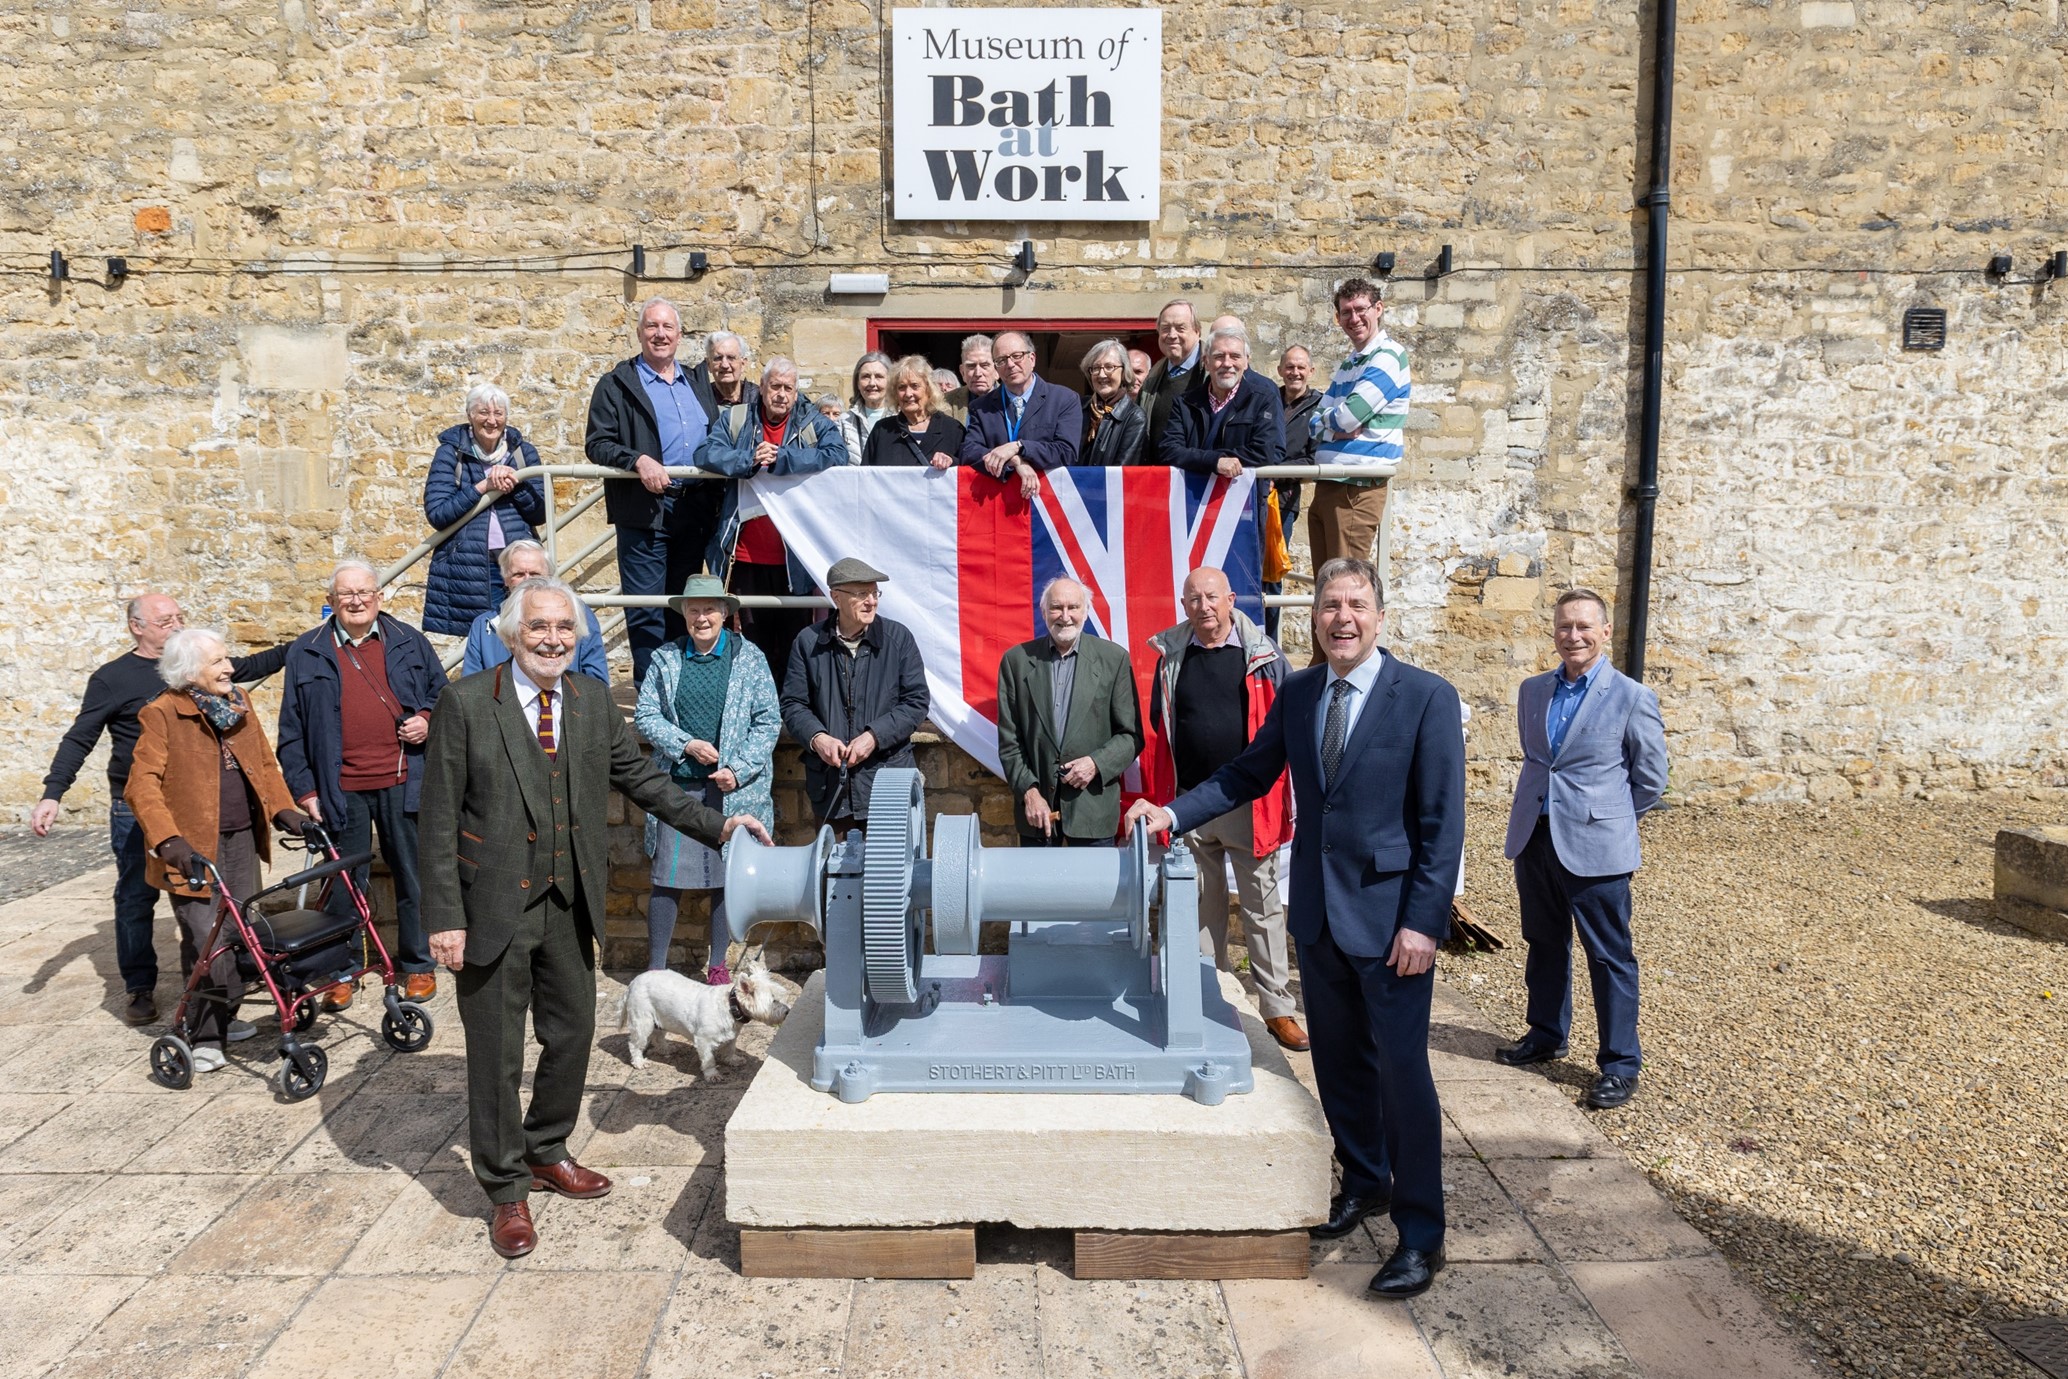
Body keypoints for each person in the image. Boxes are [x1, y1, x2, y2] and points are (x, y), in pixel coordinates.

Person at [1125, 557, 1465, 1302]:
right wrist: (1173, 811)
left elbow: (1443, 827)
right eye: (1330, 605)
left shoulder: (1427, 699)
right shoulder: (1302, 688)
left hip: (1392, 927)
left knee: (1404, 1078)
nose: (1342, 617)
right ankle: (1365, 1182)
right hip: (1317, 914)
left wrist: (1423, 922)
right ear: (1314, 617)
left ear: (1379, 614)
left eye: (1355, 604)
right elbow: (1248, 772)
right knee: (1341, 1064)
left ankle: (1420, 1233)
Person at [420, 576, 770, 1260]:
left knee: (575, 1031)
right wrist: (445, 917)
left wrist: (720, 827)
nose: (552, 638)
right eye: (539, 626)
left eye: (564, 628)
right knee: (496, 1054)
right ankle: (505, 1187)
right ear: (511, 633)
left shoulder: (588, 702)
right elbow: (436, 819)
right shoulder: (464, 703)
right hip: (490, 907)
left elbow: (644, 782)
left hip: (566, 902)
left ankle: (546, 1148)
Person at [34, 595, 289, 1025]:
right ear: (137, 626)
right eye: (165, 620)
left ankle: (219, 997)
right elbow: (81, 738)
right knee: (138, 897)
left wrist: (318, 633)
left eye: (179, 617)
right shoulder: (115, 679)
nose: (175, 625)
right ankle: (140, 988)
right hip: (136, 804)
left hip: (199, 802)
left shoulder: (208, 671)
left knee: (213, 907)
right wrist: (53, 792)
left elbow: (259, 665)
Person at [1496, 588, 1669, 1112]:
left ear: (1605, 632)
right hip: (1536, 835)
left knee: (1609, 955)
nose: (1573, 636)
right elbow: (1538, 762)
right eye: (1565, 626)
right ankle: (1546, 1035)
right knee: (1543, 943)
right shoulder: (1532, 691)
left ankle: (1619, 1064)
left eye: (1584, 627)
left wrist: (1609, 819)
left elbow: (1652, 779)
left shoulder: (1631, 697)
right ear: (1554, 632)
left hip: (1597, 846)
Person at [125, 628, 307, 1071]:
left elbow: (265, 764)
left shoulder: (238, 705)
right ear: (189, 672)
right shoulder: (162, 713)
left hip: (241, 837)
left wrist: (286, 811)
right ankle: (204, 1033)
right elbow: (141, 784)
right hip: (191, 849)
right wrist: (169, 841)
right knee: (205, 936)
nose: (229, 668)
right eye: (217, 662)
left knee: (238, 930)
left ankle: (226, 1013)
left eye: (227, 659)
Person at [1141, 567, 1303, 1050]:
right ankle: (1212, 998)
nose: (1203, 607)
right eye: (1193, 599)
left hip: (1249, 801)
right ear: (1184, 604)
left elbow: (1286, 724)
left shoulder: (1265, 656)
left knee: (1261, 907)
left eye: (1212, 597)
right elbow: (1160, 719)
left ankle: (1277, 1009)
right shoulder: (1172, 655)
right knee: (1200, 906)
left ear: (1231, 599)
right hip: (1190, 804)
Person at [276, 560, 448, 1005]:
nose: (356, 601)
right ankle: (342, 969)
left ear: (379, 597)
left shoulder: (410, 640)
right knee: (343, 885)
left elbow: (444, 695)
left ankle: (417, 965)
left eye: (364, 593)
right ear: (331, 601)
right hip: (339, 788)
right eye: (346, 594)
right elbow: (291, 730)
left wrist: (428, 720)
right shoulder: (307, 650)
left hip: (404, 780)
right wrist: (305, 791)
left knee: (413, 876)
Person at [633, 575, 780, 983]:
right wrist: (686, 745)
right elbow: (646, 715)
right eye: (694, 610)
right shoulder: (665, 659)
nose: (702, 617)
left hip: (730, 789)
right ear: (683, 613)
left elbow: (768, 720)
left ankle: (718, 965)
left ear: (725, 613)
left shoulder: (749, 658)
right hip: (678, 785)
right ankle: (656, 969)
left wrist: (739, 769)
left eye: (710, 609)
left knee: (725, 877)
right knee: (666, 876)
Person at [582, 299, 713, 683]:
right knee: (645, 609)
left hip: (694, 511)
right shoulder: (617, 384)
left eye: (668, 327)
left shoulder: (696, 380)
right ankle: (650, 695)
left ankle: (679, 689)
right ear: (639, 333)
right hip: (644, 511)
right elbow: (597, 443)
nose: (660, 334)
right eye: (652, 327)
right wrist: (639, 461)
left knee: (682, 606)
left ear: (679, 335)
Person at [697, 357, 847, 669]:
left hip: (795, 553)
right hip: (746, 553)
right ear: (762, 388)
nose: (780, 394)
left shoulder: (812, 421)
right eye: (774, 386)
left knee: (795, 640)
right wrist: (747, 459)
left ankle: (790, 710)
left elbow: (838, 455)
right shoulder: (737, 418)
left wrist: (784, 458)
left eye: (787, 388)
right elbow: (706, 453)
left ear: (795, 394)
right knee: (754, 639)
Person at [780, 558, 930, 831]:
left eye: (874, 593)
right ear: (836, 597)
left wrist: (874, 736)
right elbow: (793, 704)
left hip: (888, 782)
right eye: (861, 594)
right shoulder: (807, 642)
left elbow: (916, 702)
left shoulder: (898, 639)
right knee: (833, 870)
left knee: (889, 870)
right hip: (832, 789)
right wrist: (818, 738)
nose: (871, 601)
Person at [994, 578, 1142, 846]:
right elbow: (1009, 741)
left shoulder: (1114, 659)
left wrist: (1096, 763)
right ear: (1043, 612)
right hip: (1038, 815)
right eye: (1056, 608)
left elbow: (1131, 736)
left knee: (1095, 890)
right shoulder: (1015, 662)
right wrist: (1030, 792)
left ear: (1086, 611)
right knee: (1036, 889)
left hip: (1092, 813)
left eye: (1073, 607)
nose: (1065, 616)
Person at [421, 383, 547, 637]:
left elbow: (540, 513)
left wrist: (515, 484)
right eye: (483, 413)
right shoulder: (450, 453)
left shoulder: (523, 452)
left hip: (517, 566)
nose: (491, 421)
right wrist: (482, 487)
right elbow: (438, 513)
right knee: (481, 639)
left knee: (524, 635)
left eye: (498, 413)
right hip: (470, 567)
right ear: (470, 415)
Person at [1308, 277, 1409, 572]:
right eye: (1346, 312)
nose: (1354, 318)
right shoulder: (1351, 363)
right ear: (1338, 319)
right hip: (1331, 485)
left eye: (1360, 309)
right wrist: (1332, 426)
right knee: (1326, 587)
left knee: (1344, 586)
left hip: (1356, 489)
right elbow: (1312, 421)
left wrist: (1330, 423)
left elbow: (1348, 417)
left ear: (1378, 309)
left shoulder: (1388, 357)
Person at [461, 541, 611, 683]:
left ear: (549, 576)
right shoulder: (484, 625)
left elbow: (596, 681)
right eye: (518, 574)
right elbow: (470, 687)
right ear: (506, 579)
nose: (527, 580)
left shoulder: (577, 614)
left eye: (534, 574)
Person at [957, 330, 1082, 497]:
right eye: (1001, 360)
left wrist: (1018, 447)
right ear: (996, 368)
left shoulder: (1064, 399)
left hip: (1048, 501)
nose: (1010, 364)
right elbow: (969, 452)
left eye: (1017, 356)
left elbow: (1067, 452)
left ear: (1032, 359)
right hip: (998, 501)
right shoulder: (981, 407)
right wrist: (1015, 461)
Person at [1159, 326, 1286, 476]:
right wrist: (1215, 461)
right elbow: (1169, 450)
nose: (1227, 363)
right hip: (1192, 494)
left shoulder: (1263, 399)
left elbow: (1263, 451)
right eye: (1219, 356)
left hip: (1244, 495)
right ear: (1206, 362)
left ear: (1246, 362)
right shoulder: (1185, 403)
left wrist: (1203, 459)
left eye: (1235, 356)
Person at [1266, 345, 1322, 640]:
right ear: (1280, 370)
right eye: (1289, 367)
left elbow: (1313, 459)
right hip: (1253, 498)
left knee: (1273, 575)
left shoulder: (1319, 407)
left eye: (1301, 367)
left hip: (1283, 503)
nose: (1295, 373)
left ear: (1310, 371)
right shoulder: (1268, 399)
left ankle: (1270, 645)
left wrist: (1277, 473)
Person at [862, 355, 965, 468]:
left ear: (929, 388)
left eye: (914, 386)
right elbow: (866, 477)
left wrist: (952, 461)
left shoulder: (953, 430)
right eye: (901, 387)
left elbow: (967, 474)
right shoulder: (882, 431)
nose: (908, 394)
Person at [1136, 299, 1205, 466]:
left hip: (1202, 477)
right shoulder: (1152, 376)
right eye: (1165, 329)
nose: (1172, 335)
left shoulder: (1212, 372)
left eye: (1180, 328)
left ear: (1197, 331)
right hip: (1158, 478)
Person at [1078, 340, 1147, 467]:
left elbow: (1123, 469)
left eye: (1109, 367)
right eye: (1096, 368)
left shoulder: (1134, 417)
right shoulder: (1078, 407)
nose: (1102, 374)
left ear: (1124, 372)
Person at [839, 351, 894, 464]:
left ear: (890, 382)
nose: (872, 383)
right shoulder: (843, 422)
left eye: (879, 376)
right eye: (865, 377)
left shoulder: (900, 420)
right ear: (858, 383)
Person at [939, 334, 996, 422]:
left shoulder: (1011, 400)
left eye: (984, 365)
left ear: (996, 370)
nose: (978, 373)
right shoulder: (945, 402)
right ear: (962, 372)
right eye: (971, 366)